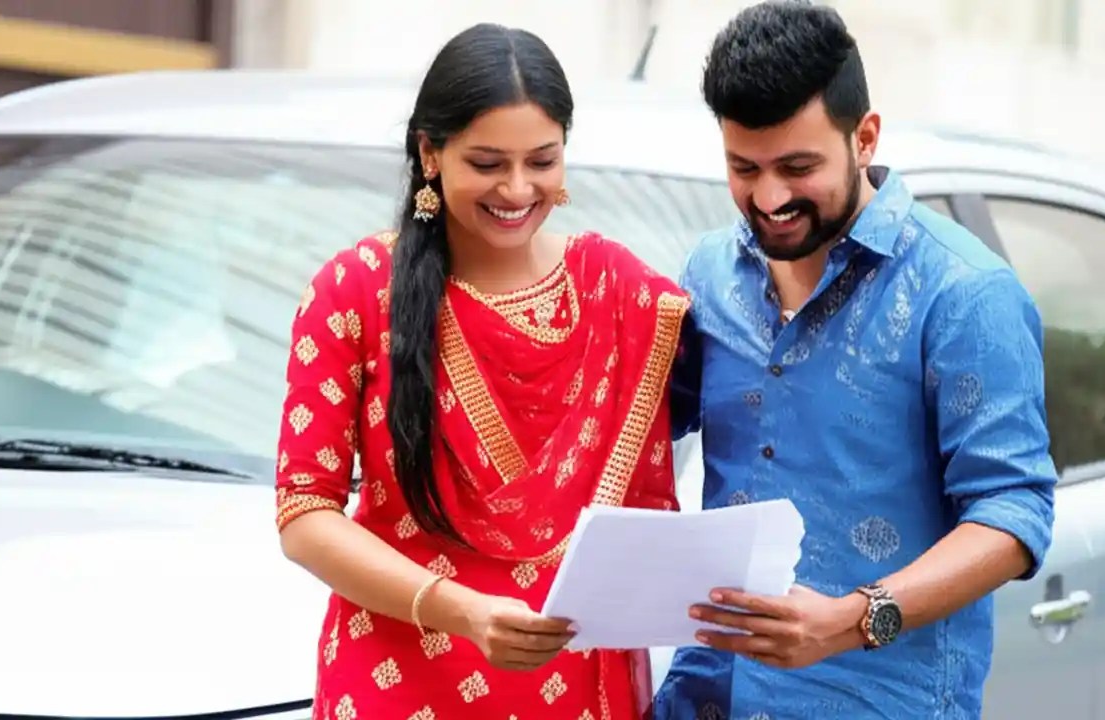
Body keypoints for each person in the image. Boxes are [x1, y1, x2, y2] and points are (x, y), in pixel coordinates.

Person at [273, 22, 689, 720]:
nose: (518, 188)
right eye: (489, 163)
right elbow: (303, 513)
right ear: (431, 153)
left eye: (542, 160)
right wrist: (460, 611)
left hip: (574, 686)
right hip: (400, 681)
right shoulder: (356, 290)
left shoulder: (620, 292)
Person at [654, 3, 1058, 719]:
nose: (769, 196)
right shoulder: (709, 273)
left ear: (864, 137)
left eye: (798, 167)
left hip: (877, 700)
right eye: (743, 168)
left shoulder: (963, 293)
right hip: (707, 697)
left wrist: (852, 618)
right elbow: (632, 426)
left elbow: (1013, 511)